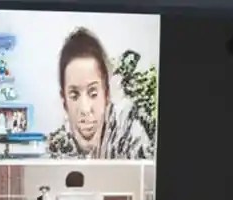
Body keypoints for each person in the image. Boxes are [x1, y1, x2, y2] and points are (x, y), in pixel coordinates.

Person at [46, 29, 154, 160]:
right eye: (74, 96)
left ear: (107, 94)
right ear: (64, 102)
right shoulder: (59, 144)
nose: (85, 109)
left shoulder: (128, 130)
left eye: (93, 93)